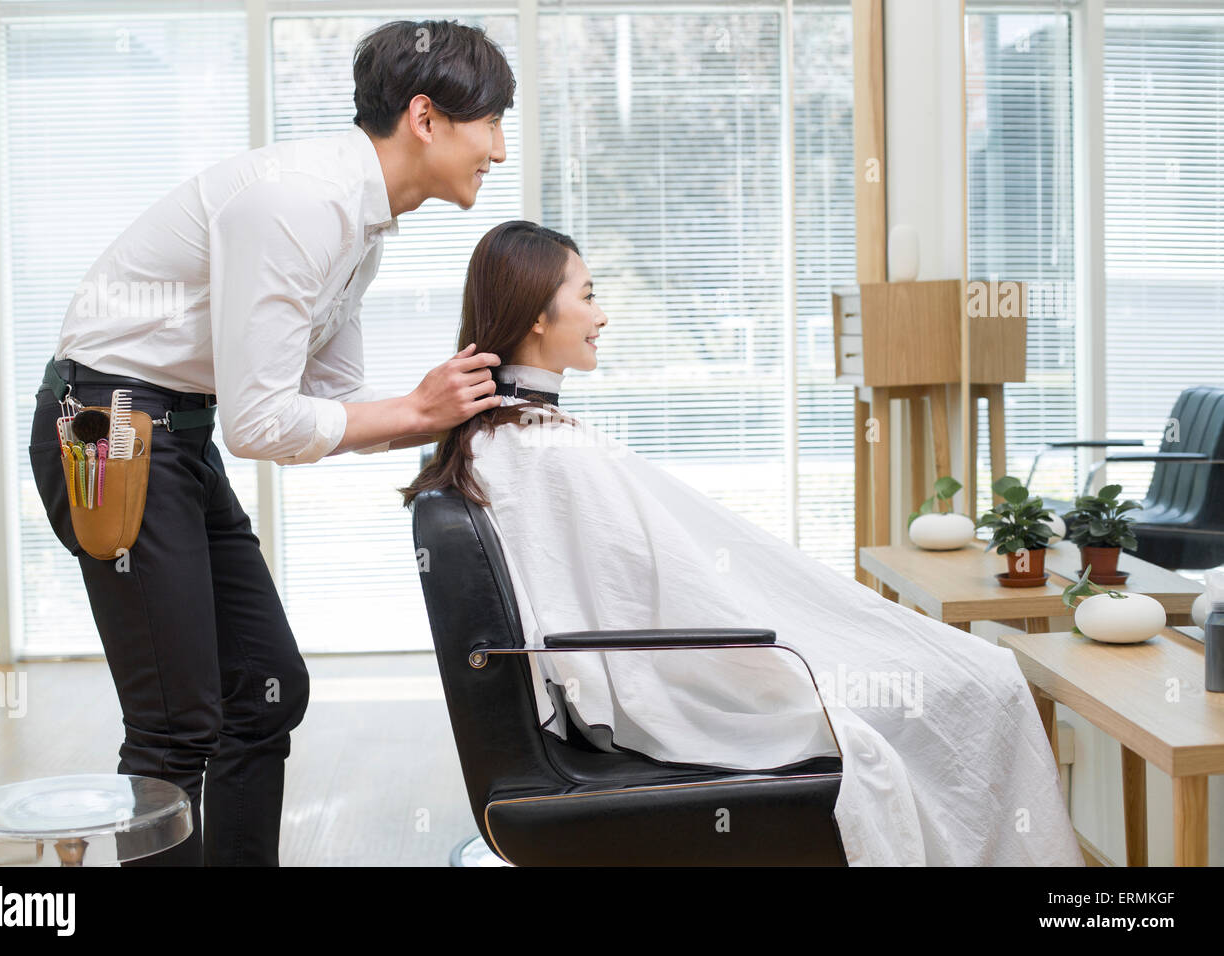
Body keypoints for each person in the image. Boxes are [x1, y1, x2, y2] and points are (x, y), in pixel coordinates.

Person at [399, 220, 1086, 866]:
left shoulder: (506, 444)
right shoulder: (546, 453)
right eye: (588, 296)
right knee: (978, 681)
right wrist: (779, 649)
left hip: (686, 663)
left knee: (953, 671)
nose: (602, 315)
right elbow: (653, 599)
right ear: (537, 318)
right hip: (691, 681)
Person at [28, 19, 511, 866]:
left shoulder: (360, 227)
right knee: (176, 729)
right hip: (110, 430)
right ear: (426, 118)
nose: (499, 151)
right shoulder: (301, 205)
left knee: (263, 693)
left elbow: (328, 402)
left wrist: (441, 414)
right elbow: (262, 425)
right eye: (491, 123)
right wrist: (412, 410)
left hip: (176, 429)